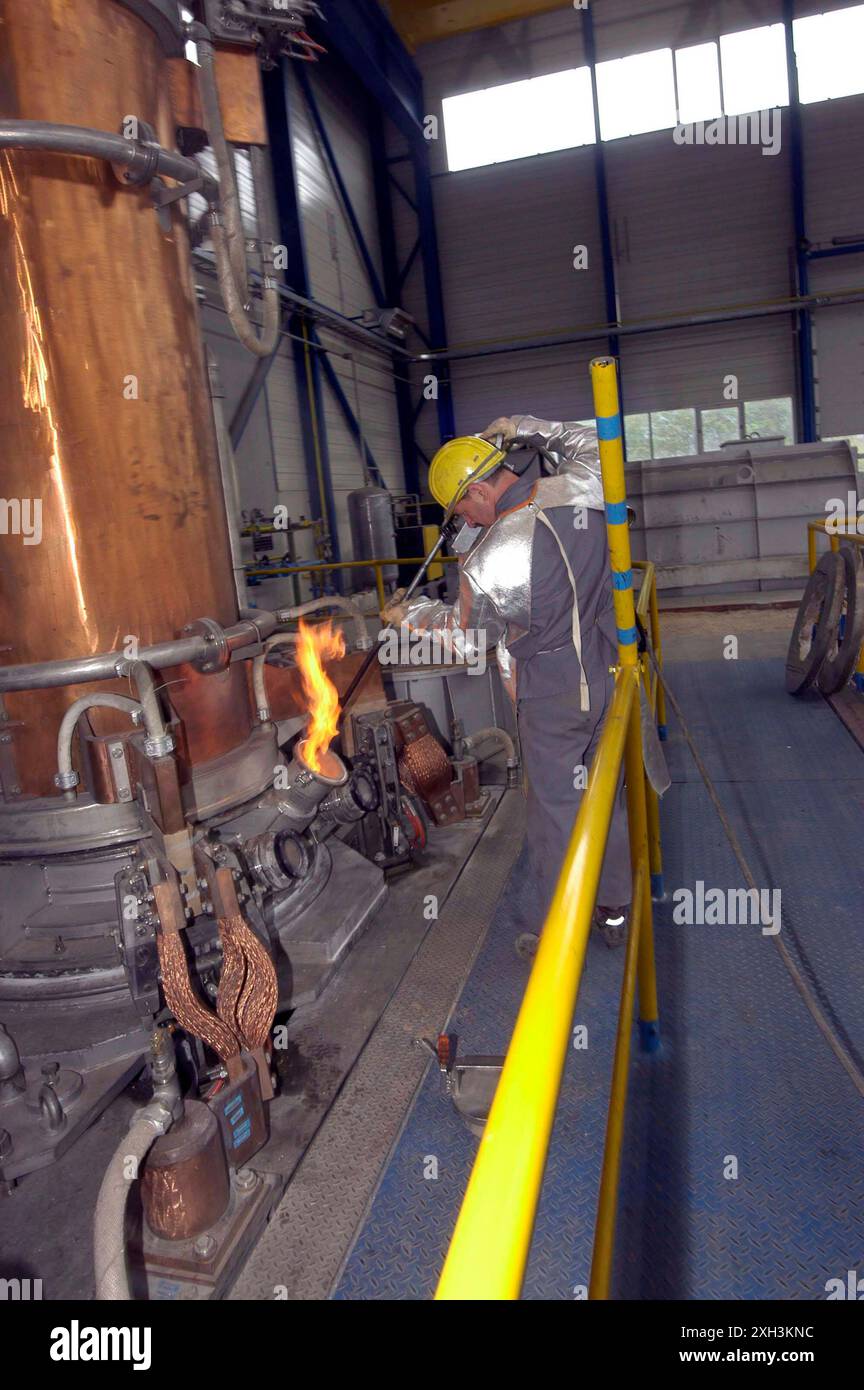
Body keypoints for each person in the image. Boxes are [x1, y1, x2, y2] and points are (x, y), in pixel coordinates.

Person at [383, 414, 630, 953]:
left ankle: (558, 937)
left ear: (477, 488)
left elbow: (466, 638)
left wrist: (413, 615)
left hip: (552, 691)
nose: (465, 521)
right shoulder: (580, 485)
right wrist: (524, 425)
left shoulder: (491, 558)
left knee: (555, 812)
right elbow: (595, 439)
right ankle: (613, 910)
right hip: (609, 668)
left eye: (463, 509)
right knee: (606, 793)